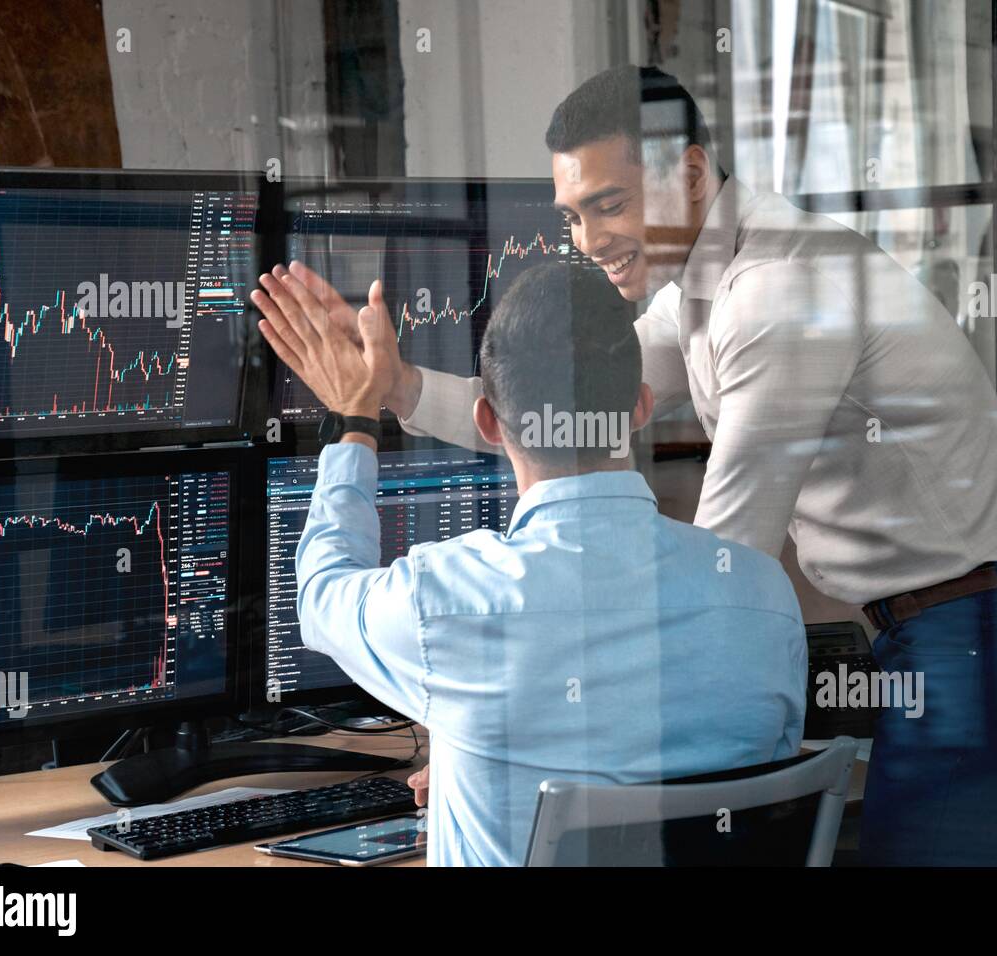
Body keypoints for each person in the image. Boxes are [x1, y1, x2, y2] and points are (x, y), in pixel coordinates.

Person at [293, 64, 997, 866]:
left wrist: (504, 739)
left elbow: (715, 580)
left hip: (988, 635)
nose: (588, 241)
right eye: (573, 216)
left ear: (689, 173)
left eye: (608, 205)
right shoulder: (706, 288)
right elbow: (565, 404)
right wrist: (395, 387)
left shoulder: (773, 293)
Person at [250, 261, 807, 866]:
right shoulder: (764, 594)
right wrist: (482, 756)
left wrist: (356, 417)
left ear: (486, 420)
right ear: (641, 407)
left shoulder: (444, 604)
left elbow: (323, 593)